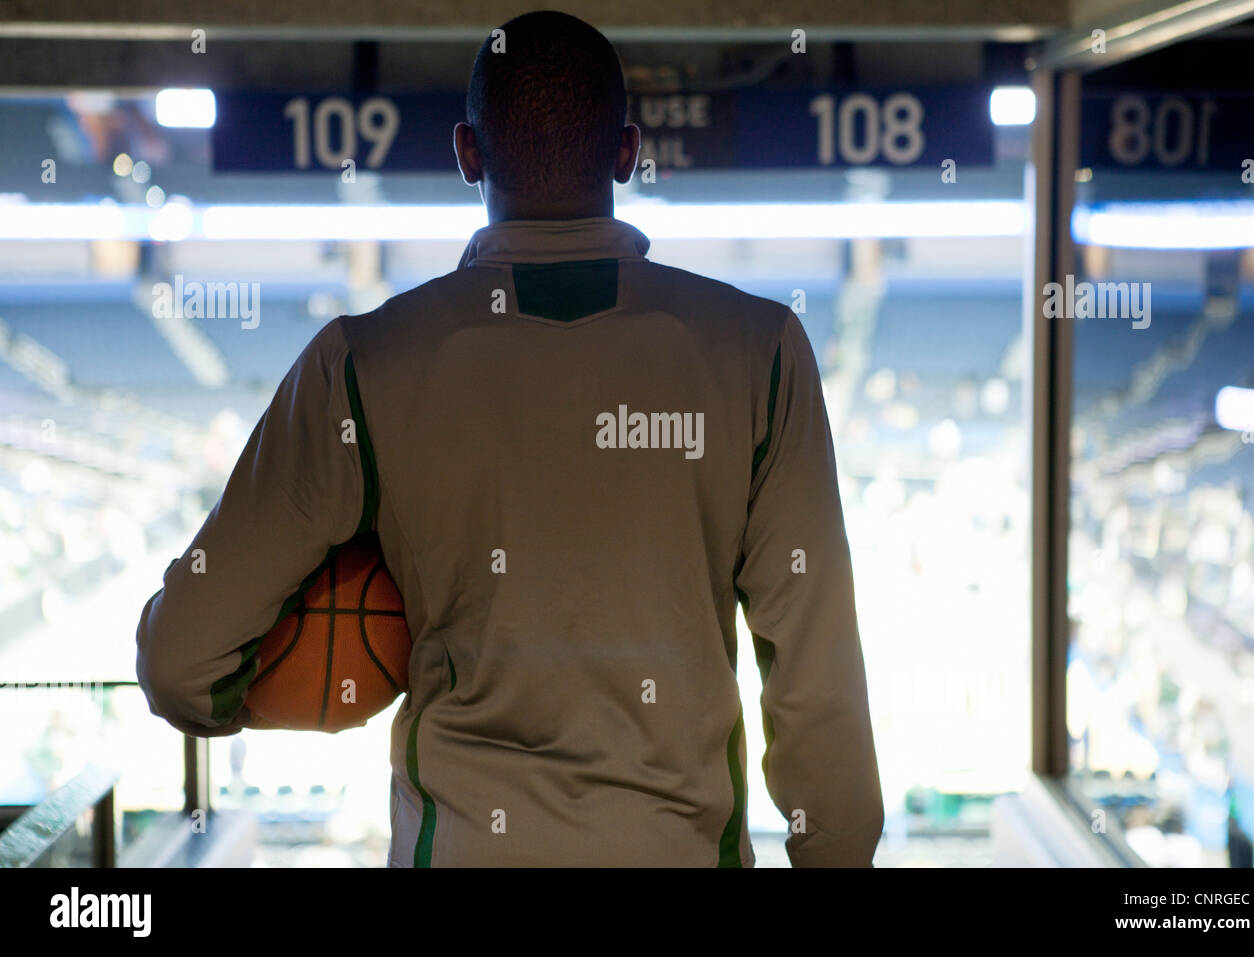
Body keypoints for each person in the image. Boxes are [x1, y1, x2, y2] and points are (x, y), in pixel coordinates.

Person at [136, 9, 883, 867]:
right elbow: (818, 686)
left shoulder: (362, 362)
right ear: (629, 152)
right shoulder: (760, 351)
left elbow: (182, 662)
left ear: (466, 153)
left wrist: (336, 664)